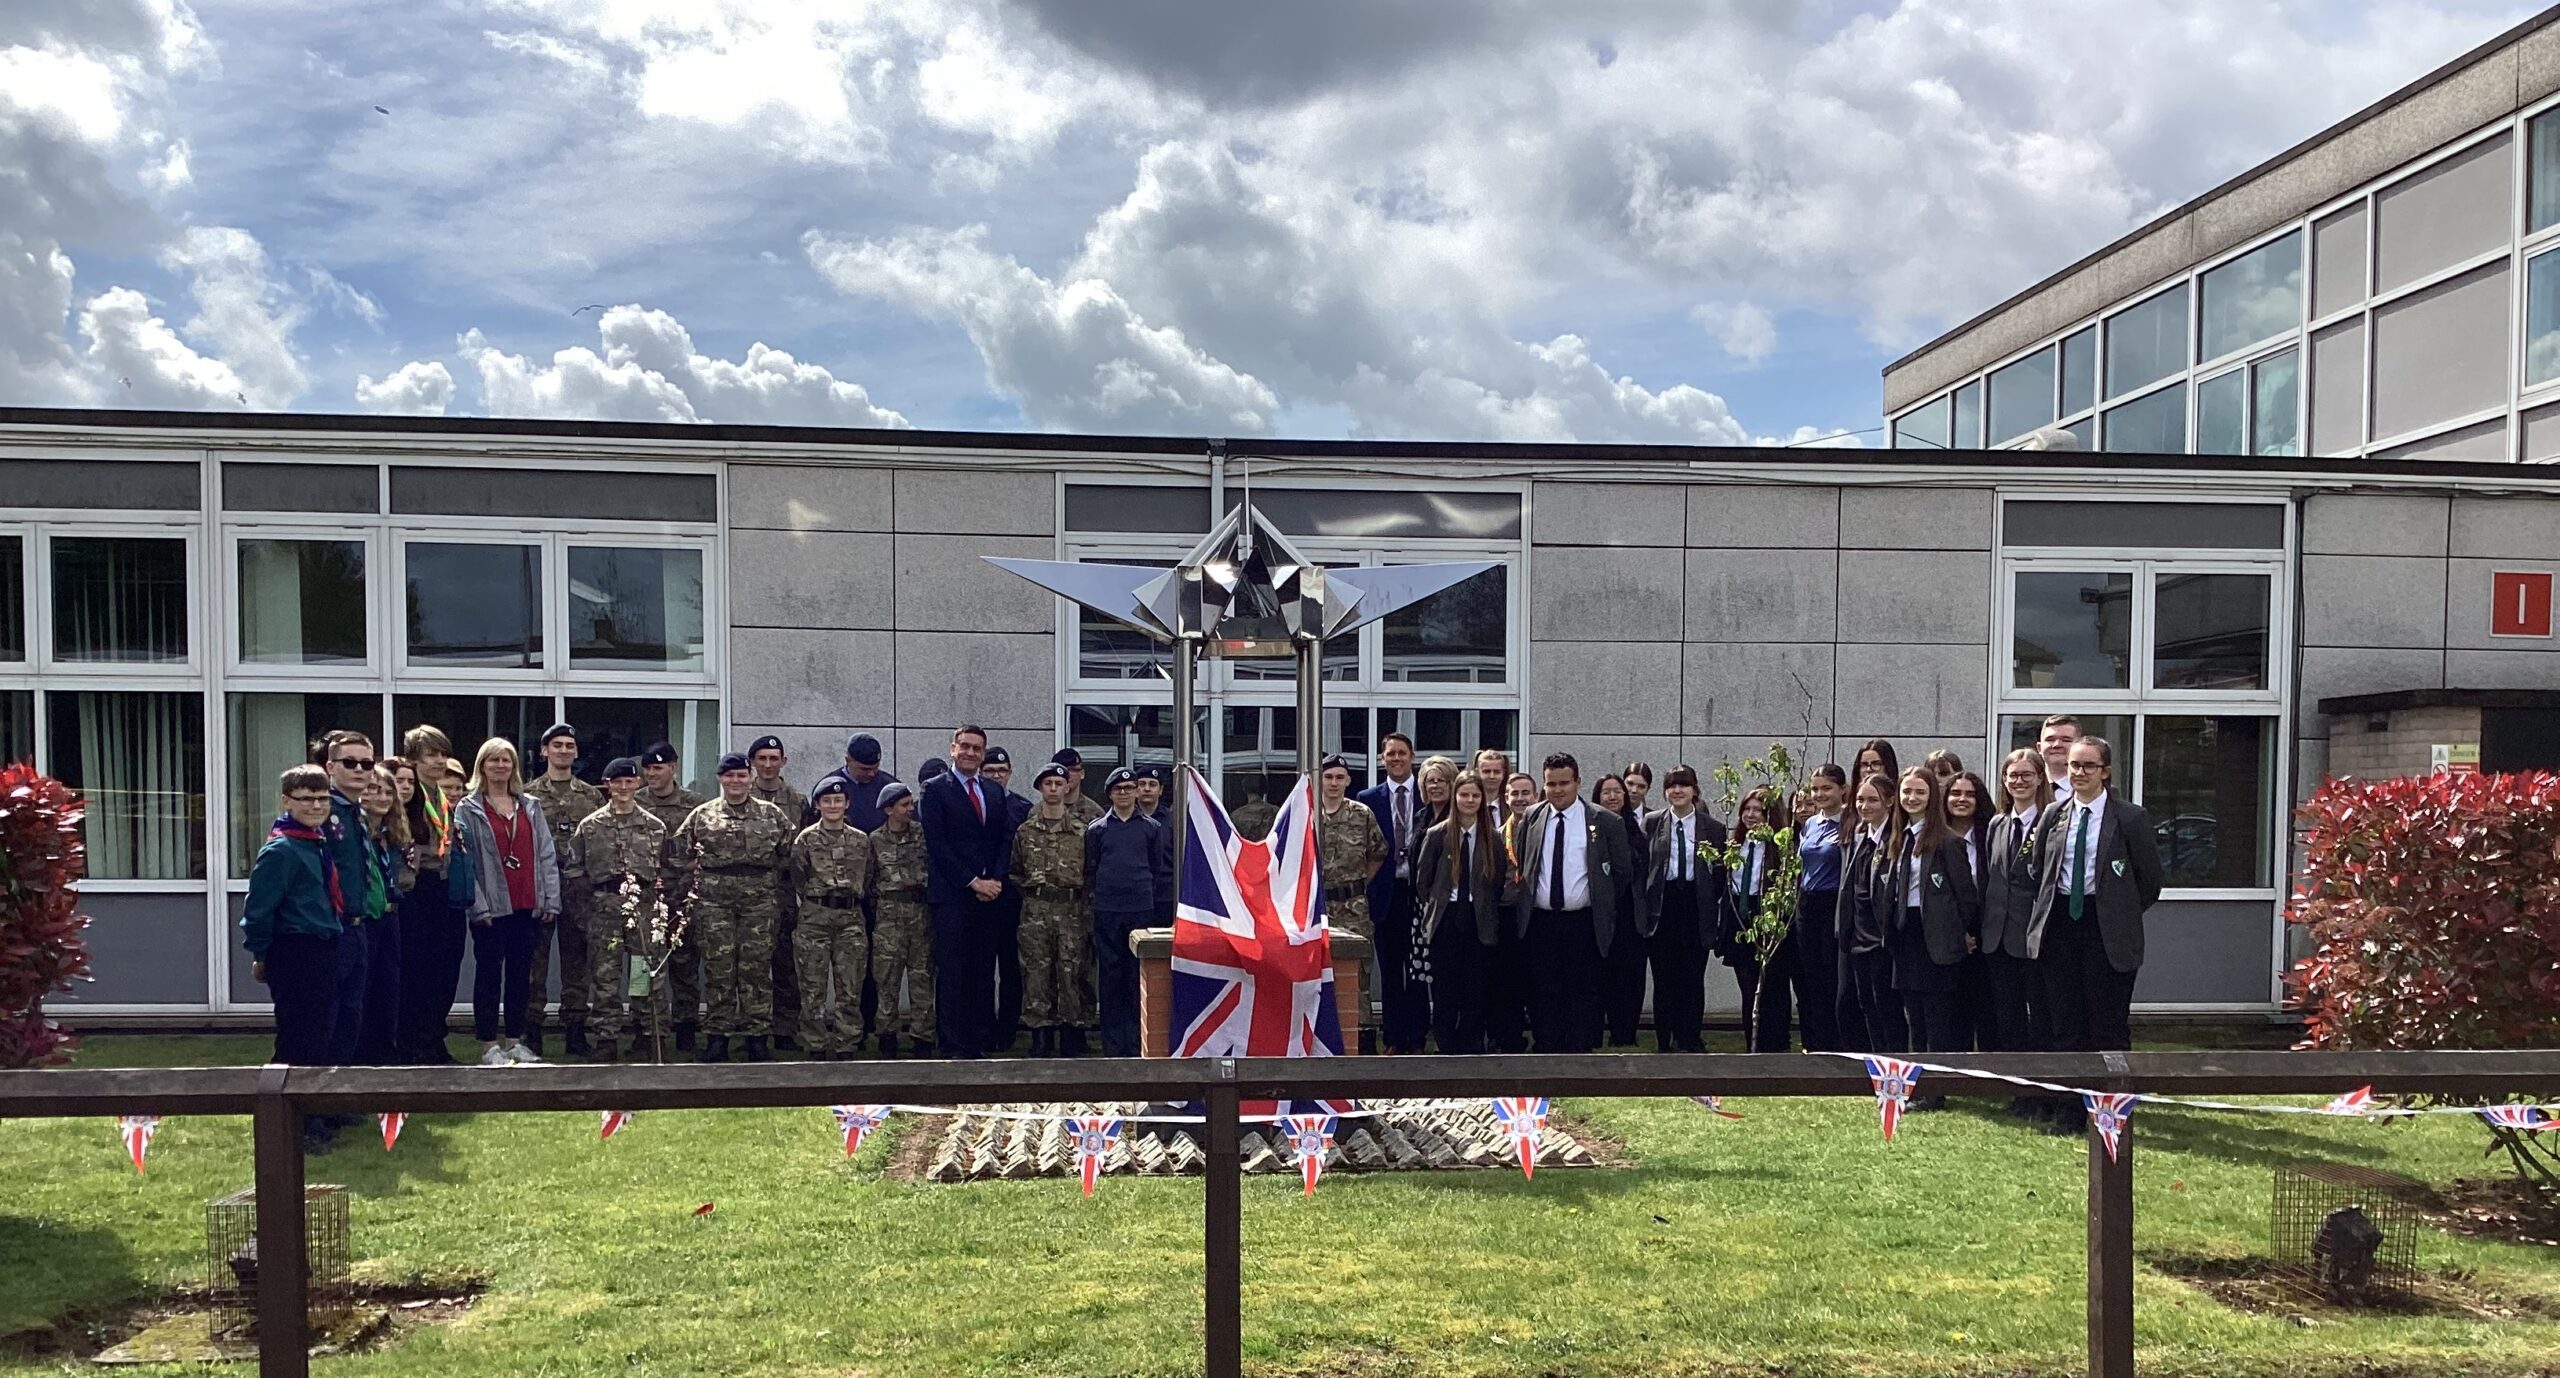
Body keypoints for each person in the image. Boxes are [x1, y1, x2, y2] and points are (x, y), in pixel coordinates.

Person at [2028, 736, 2163, 1059]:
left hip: (2107, 931)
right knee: (2065, 1022)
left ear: (2105, 771)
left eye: (2089, 765)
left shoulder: (2130, 818)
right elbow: (2039, 869)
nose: (2079, 772)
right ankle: (2069, 1105)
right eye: (2074, 765)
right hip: (2060, 926)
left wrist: (2118, 909)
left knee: (2107, 1024)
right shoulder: (2053, 813)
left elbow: (2150, 881)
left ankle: (2110, 1105)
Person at [1510, 752, 1640, 1054]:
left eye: (1564, 784)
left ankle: (1580, 1051)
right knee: (1543, 989)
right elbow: (1524, 863)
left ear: (1578, 782)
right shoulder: (1531, 816)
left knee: (1583, 990)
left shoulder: (1604, 820)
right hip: (1541, 920)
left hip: (1583, 920)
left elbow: (1621, 872)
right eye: (1551, 784)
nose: (1557, 790)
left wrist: (1599, 899)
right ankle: (1547, 1046)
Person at [673, 753, 794, 1063]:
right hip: (715, 903)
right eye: (730, 776)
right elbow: (677, 855)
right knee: (719, 970)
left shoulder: (772, 815)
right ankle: (718, 1038)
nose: (736, 781)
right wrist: (707, 869)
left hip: (759, 904)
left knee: (756, 970)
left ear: (750, 778)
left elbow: (789, 854)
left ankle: (756, 1038)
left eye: (742, 775)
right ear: (720, 779)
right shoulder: (702, 815)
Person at [453, 738, 559, 1066]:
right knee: (488, 975)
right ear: (481, 765)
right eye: (493, 760)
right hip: (491, 908)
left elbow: (545, 853)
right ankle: (488, 1045)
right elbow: (464, 861)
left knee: (520, 975)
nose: (500, 766)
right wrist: (477, 905)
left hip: (527, 903)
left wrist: (550, 897)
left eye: (506, 760)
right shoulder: (468, 808)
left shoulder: (530, 805)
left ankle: (515, 1041)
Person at [920, 725, 1017, 1059]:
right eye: (965, 747)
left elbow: (1004, 839)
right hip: (952, 895)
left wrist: (996, 880)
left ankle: (979, 1041)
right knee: (953, 971)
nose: (971, 753)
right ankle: (952, 1043)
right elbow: (938, 844)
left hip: (990, 896)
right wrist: (972, 881)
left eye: (977, 749)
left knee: (982, 969)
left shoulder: (993, 791)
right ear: (952, 749)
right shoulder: (934, 790)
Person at [243, 765, 345, 1074]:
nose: (316, 806)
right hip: (295, 949)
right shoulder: (282, 849)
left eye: (323, 799)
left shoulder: (314, 841)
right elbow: (259, 909)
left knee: (322, 1033)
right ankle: (288, 1109)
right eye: (306, 799)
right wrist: (261, 955)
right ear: (286, 801)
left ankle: (318, 1107)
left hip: (324, 946)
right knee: (298, 1035)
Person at [572, 757, 667, 1062]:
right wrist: (585, 914)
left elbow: (670, 870)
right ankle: (606, 1037)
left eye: (629, 781)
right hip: (604, 906)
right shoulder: (590, 826)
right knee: (605, 976)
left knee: (643, 972)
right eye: (617, 782)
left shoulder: (655, 826)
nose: (624, 787)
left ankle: (645, 1033)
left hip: (644, 906)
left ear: (638, 783)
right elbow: (574, 872)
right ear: (607, 784)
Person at [1883, 767, 1978, 1059]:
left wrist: (1958, 934)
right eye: (1907, 791)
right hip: (1906, 935)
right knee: (1915, 1019)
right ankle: (1917, 1082)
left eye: (1920, 792)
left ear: (1932, 797)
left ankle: (1936, 1086)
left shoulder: (1949, 842)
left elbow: (1966, 898)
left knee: (1937, 1019)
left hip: (1936, 940)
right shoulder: (1898, 840)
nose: (1912, 798)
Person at [523, 723, 604, 1059]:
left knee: (577, 962)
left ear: (576, 752)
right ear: (544, 751)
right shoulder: (527, 795)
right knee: (534, 962)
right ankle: (532, 1031)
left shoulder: (591, 795)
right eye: (556, 745)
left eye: (569, 746)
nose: (563, 751)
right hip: (541, 886)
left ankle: (575, 1030)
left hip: (578, 889)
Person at [1761, 764, 1847, 1053]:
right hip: (1806, 906)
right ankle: (1816, 1044)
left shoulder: (1851, 823)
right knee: (1810, 982)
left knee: (1832, 979)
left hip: (1833, 904)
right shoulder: (1810, 824)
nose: (1820, 794)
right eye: (1815, 788)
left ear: (1842, 790)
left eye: (1827, 788)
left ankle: (1838, 1044)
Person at [1086, 767, 1171, 1058]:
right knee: (1110, 978)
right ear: (1110, 794)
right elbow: (1091, 868)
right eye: (1118, 789)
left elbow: (1156, 867)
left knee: (1137, 978)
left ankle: (1137, 1042)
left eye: (1129, 788)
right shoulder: (1097, 829)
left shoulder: (1151, 828)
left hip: (1140, 909)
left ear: (1136, 792)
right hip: (1108, 909)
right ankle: (1112, 1045)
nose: (1124, 793)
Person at [1642, 765, 1727, 1053]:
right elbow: (1644, 868)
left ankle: (1689, 1038)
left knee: (1692, 978)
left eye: (1683, 785)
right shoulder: (1652, 823)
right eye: (1671, 786)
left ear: (1694, 790)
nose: (1677, 791)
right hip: (1663, 909)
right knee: (1664, 980)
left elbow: (1719, 873)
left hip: (1695, 907)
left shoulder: (1713, 828)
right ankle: (1664, 1041)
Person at [1414, 774, 1502, 1054]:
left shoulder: (1492, 838)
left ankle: (1470, 1042)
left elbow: (1497, 881)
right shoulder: (1437, 834)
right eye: (1464, 795)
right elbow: (1422, 880)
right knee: (1445, 988)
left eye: (1475, 796)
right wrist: (1436, 905)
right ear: (1455, 797)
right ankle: (1445, 1043)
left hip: (1478, 919)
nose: (1470, 801)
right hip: (1446, 919)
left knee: (1475, 987)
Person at [1010, 763, 1092, 1057]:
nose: (1054, 789)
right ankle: (1040, 1034)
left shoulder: (1083, 831)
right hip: (1036, 910)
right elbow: (1016, 871)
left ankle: (1072, 1032)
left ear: (1068, 786)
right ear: (1041, 789)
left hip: (1072, 910)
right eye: (1048, 784)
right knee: (1036, 971)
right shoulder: (1025, 831)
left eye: (1059, 783)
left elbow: (1090, 873)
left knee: (1071, 970)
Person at [394, 725, 465, 1065]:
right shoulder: (408, 796)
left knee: (443, 969)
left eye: (442, 754)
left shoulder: (442, 797)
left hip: (441, 887)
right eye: (431, 755)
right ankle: (413, 1043)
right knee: (417, 970)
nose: (439, 761)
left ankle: (434, 1037)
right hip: (415, 889)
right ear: (413, 760)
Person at [790, 776, 873, 1061]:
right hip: (815, 917)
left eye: (838, 800)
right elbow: (798, 877)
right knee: (811, 986)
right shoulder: (806, 839)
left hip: (850, 918)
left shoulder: (861, 840)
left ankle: (846, 1043)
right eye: (827, 801)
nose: (833, 805)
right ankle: (814, 1043)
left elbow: (869, 876)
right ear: (818, 805)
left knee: (850, 986)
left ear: (847, 803)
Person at [1982, 749, 2053, 1083]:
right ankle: (2017, 1090)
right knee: (2007, 1017)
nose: (2019, 781)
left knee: (2040, 1018)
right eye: (2013, 775)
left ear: (2040, 778)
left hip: (2035, 938)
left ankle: (2043, 1090)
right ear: (2004, 781)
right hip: (1998, 938)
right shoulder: (1997, 823)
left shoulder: (2051, 821)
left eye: (2027, 775)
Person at [1356, 733, 1427, 1054]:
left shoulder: (1429, 794)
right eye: (1390, 754)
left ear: (1412, 756)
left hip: (1419, 893)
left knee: (1418, 969)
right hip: (1385, 894)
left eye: (1402, 753)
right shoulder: (1367, 798)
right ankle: (1396, 1038)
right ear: (1382, 759)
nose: (1396, 759)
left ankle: (1418, 1036)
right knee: (1389, 967)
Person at [634, 742, 707, 1049]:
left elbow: (705, 849)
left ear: (673, 768)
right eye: (648, 769)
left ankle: (686, 1025)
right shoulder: (634, 802)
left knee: (685, 963)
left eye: (658, 768)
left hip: (683, 895)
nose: (652, 774)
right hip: (646, 896)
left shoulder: (695, 805)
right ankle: (643, 1028)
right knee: (641, 964)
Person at [1314, 755, 1388, 1051]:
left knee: (1358, 974)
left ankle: (1363, 1040)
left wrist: (1358, 884)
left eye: (1339, 777)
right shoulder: (1307, 813)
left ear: (1348, 781)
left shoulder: (1361, 813)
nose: (1333, 783)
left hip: (1354, 908)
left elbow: (1378, 852)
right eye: (1328, 777)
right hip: (1316, 909)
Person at [746, 735, 809, 1051]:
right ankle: (750, 1028)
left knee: (786, 964)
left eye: (774, 758)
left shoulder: (798, 802)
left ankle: (786, 1028)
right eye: (762, 758)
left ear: (783, 761)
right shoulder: (740, 796)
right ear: (753, 763)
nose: (768, 764)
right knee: (750, 966)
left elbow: (806, 850)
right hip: (747, 895)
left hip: (784, 894)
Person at [1837, 773, 1904, 1054]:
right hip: (1858, 940)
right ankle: (1879, 1068)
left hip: (1883, 942)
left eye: (1872, 800)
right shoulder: (1862, 838)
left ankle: (1896, 1068)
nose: (1865, 806)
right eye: (1860, 799)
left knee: (1887, 1008)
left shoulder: (1897, 840)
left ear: (1889, 801)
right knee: (1868, 1007)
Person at [353, 765, 414, 1067]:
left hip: (391, 916)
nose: (384, 796)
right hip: (365, 920)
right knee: (364, 995)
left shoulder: (392, 834)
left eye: (389, 791)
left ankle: (385, 1062)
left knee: (388, 993)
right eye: (375, 789)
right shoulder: (355, 831)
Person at [868, 781, 934, 1057]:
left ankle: (923, 1037)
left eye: (911, 804)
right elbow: (867, 879)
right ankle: (887, 1036)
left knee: (922, 977)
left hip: (920, 912)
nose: (911, 809)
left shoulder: (923, 834)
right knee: (887, 978)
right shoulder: (874, 840)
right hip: (888, 915)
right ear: (888, 809)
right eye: (904, 805)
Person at [1591, 773, 1648, 1047]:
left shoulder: (1636, 827)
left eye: (1617, 792)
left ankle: (1624, 1033)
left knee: (1629, 977)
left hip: (1629, 914)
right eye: (1606, 792)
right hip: (1597, 913)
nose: (1612, 797)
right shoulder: (1590, 824)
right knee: (1598, 975)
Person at [982, 746, 1031, 1051]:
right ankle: (986, 1029)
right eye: (990, 771)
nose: (997, 776)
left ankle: (1009, 1030)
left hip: (1013, 898)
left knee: (1013, 969)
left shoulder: (1023, 808)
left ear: (1010, 773)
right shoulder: (975, 805)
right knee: (984, 969)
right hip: (982, 899)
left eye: (1002, 771)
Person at [1721, 788, 1777, 1050]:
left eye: (1758, 810)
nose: (1751, 815)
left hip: (1765, 917)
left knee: (1767, 988)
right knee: (1746, 986)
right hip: (1738, 919)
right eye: (1747, 809)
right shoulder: (1736, 845)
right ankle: (1750, 1044)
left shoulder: (1777, 848)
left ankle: (1771, 1043)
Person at [1945, 770, 1995, 1050]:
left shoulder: (1990, 833)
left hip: (1986, 929)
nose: (1961, 799)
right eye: (1955, 793)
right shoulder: (1933, 835)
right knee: (1953, 1006)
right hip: (1948, 929)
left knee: (1987, 1003)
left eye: (1969, 794)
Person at [801, 732, 899, 832]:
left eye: (875, 768)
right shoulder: (828, 788)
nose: (872, 774)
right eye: (864, 769)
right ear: (848, 760)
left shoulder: (891, 787)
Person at [1052, 748, 1105, 827]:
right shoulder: (1039, 811)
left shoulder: (1095, 813)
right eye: (1061, 771)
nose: (1068, 775)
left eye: (1073, 770)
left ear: (1082, 773)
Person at [2036, 715, 2081, 803]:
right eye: (2050, 739)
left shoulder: (2092, 791)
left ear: (2079, 747)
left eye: (2066, 740)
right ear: (2039, 748)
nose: (2057, 745)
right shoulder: (2025, 788)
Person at [1472, 750, 1512, 830]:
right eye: (1486, 771)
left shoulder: (1511, 806)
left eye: (1497, 772)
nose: (1492, 776)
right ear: (1477, 772)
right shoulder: (1470, 805)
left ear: (1503, 773)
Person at [1621, 760, 1655, 837]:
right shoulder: (1613, 816)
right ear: (1622, 783)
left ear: (1648, 790)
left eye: (1641, 787)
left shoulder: (1654, 820)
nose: (1634, 790)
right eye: (1630, 784)